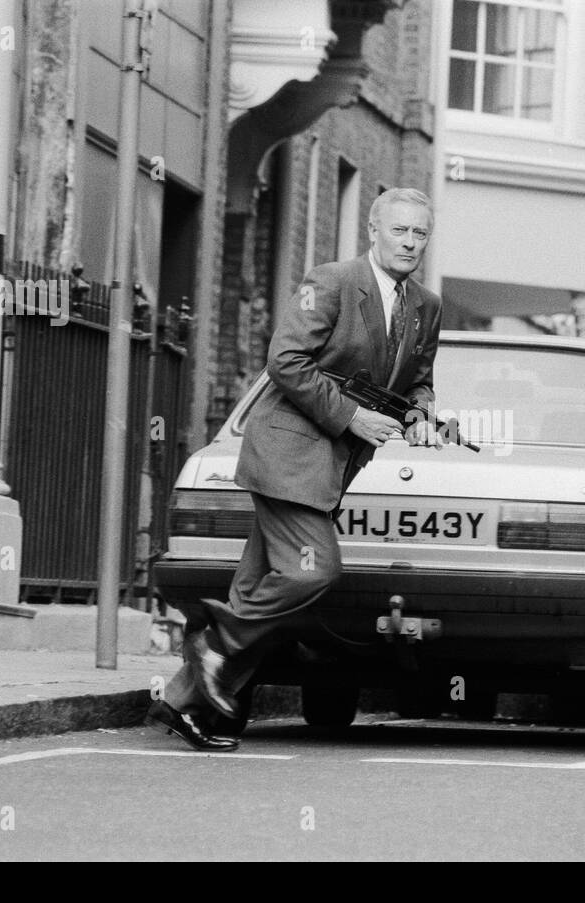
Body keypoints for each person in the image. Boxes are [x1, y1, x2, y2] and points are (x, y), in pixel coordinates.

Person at [146, 187, 443, 750]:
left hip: (331, 466)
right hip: (288, 453)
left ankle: (184, 706)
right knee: (314, 572)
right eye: (399, 230)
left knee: (258, 585)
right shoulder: (330, 282)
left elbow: (418, 378)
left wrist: (422, 416)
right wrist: (353, 418)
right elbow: (285, 362)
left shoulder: (424, 305)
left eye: (419, 233)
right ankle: (216, 641)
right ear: (374, 232)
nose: (409, 242)